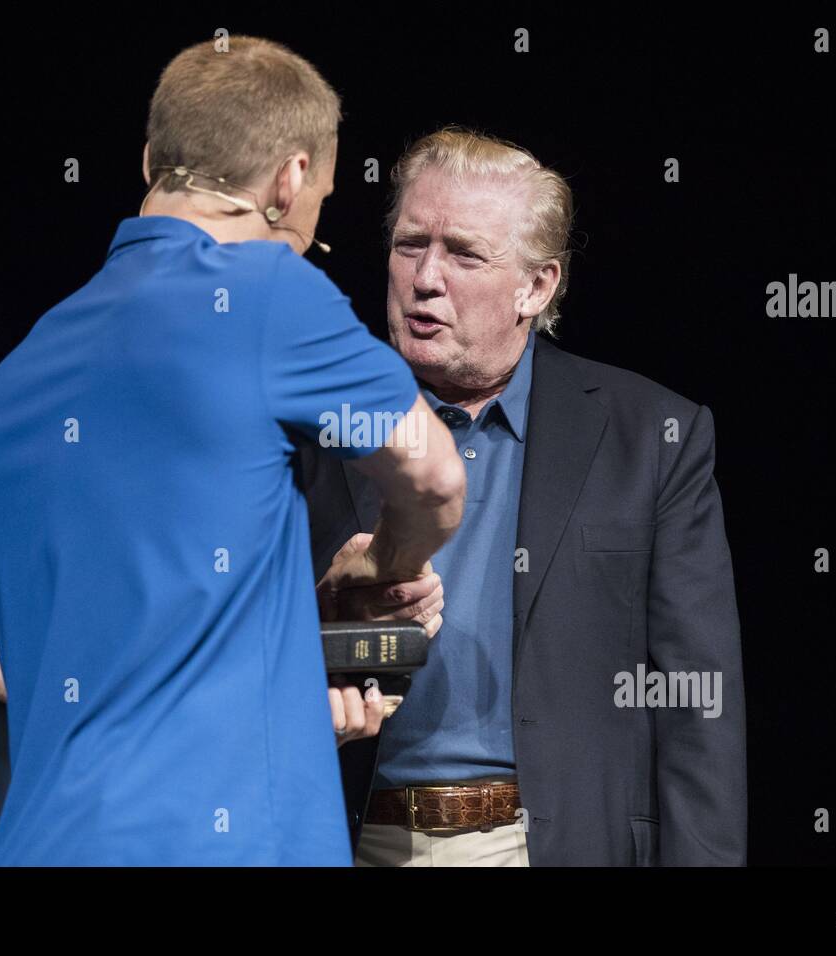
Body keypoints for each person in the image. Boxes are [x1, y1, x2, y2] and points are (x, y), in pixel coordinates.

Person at [0, 37, 465, 866]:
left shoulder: (6, 387)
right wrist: (378, 571)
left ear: (150, 160)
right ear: (291, 180)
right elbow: (434, 477)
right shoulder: (267, 292)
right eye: (322, 201)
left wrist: (278, 672)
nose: (312, 232)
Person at [302, 127, 746, 866]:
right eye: (410, 245)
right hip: (350, 840)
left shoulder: (651, 436)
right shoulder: (313, 426)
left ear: (536, 287)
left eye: (464, 254)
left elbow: (698, 702)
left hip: (556, 846)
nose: (425, 278)